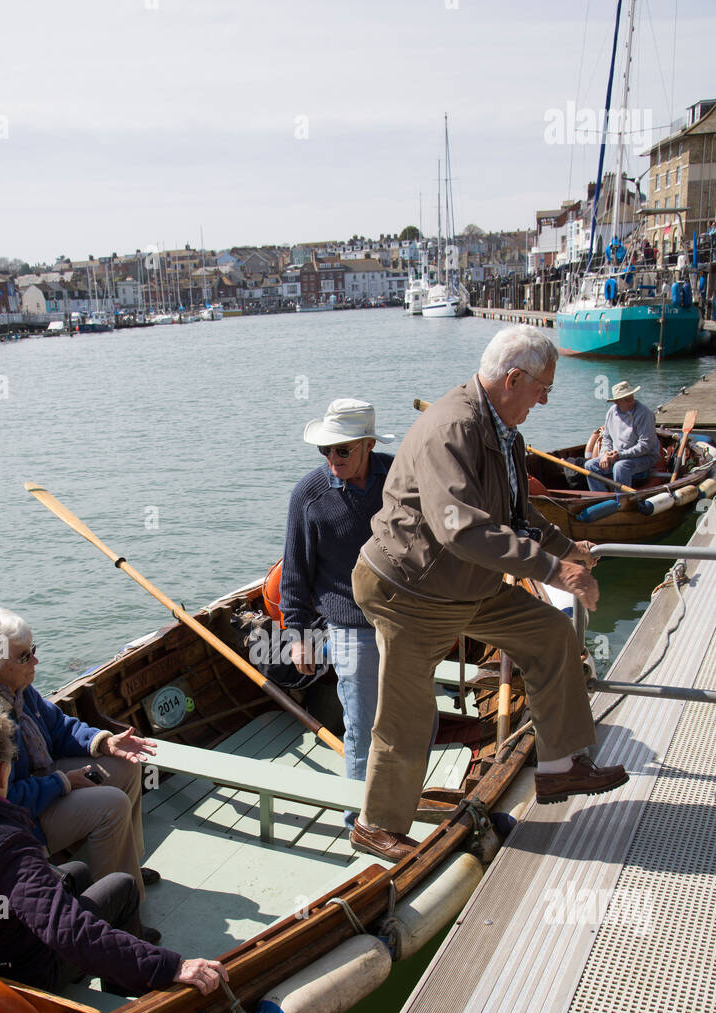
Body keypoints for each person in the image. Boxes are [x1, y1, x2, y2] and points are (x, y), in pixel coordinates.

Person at [348, 325, 628, 863]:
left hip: (464, 585)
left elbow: (518, 519)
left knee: (550, 631)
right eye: (542, 386)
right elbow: (463, 529)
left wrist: (568, 550)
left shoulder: (507, 436)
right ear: (514, 378)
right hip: (407, 589)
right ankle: (375, 825)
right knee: (408, 713)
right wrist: (554, 571)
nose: (546, 398)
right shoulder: (450, 428)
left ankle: (558, 768)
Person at [0, 708, 226, 998]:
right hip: (5, 977)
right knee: (120, 887)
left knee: (75, 873)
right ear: (2, 772)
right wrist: (169, 966)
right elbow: (69, 931)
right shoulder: (6, 845)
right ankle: (131, 1009)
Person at [0, 609, 158, 901]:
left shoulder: (14, 688)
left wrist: (102, 742)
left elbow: (58, 727)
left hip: (35, 784)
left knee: (125, 766)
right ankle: (119, 900)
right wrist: (61, 783)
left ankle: (127, 866)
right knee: (112, 805)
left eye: (32, 650)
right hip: (13, 820)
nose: (35, 660)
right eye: (23, 657)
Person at [280, 399, 394, 825]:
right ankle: (359, 821)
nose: (332, 459)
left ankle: (401, 800)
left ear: (368, 445)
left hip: (404, 620)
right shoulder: (308, 497)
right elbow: (294, 574)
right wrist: (298, 637)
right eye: (325, 450)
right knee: (362, 728)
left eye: (342, 450)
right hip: (348, 626)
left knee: (414, 720)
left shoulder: (399, 477)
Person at [586, 382, 658, 492]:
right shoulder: (611, 412)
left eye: (631, 397)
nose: (631, 401)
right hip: (617, 455)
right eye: (626, 399)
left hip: (644, 457)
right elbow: (607, 438)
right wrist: (605, 454)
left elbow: (645, 445)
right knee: (590, 465)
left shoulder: (644, 413)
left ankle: (621, 499)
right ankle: (601, 498)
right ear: (616, 402)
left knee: (620, 466)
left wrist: (619, 455)